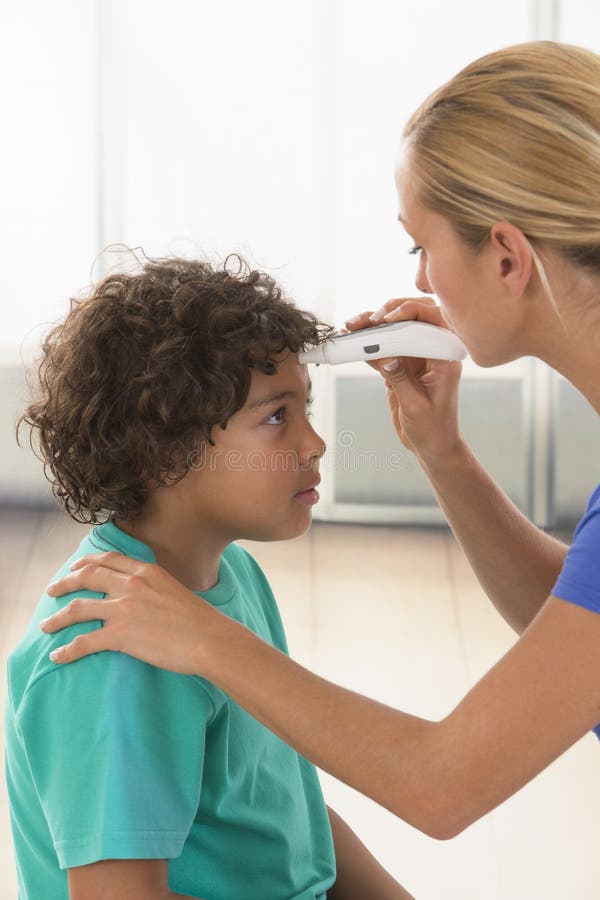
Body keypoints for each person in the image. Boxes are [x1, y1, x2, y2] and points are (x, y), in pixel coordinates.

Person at [40, 38, 600, 849]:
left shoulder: (226, 600)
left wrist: (203, 635)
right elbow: (580, 628)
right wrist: (441, 452)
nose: (421, 281)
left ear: (509, 258)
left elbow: (443, 783)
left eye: (421, 246)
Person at [5, 254, 414, 900]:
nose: (315, 444)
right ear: (166, 450)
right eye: (276, 417)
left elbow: (287, 815)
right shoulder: (106, 653)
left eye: (305, 408)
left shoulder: (235, 576)